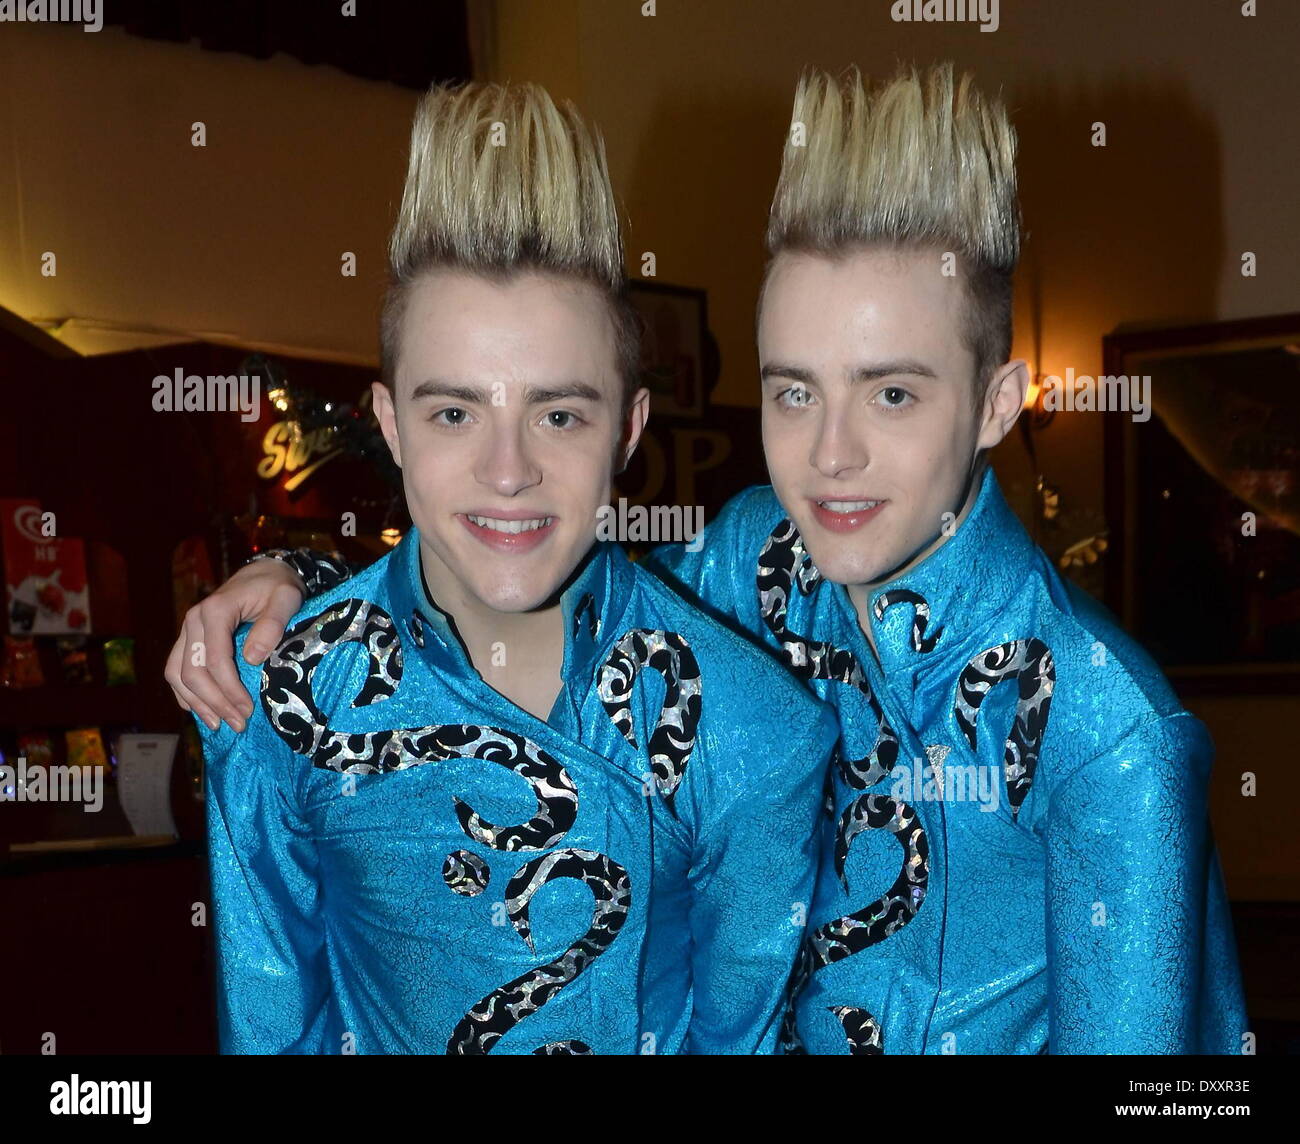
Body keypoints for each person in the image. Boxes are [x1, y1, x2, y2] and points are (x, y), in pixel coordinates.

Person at [173, 64, 1248, 1055]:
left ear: (997, 404)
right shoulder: (761, 561)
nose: (831, 455)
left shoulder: (1107, 736)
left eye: (892, 392)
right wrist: (300, 580)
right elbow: (532, 557)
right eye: (794, 391)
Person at [170, 79, 837, 1055]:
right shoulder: (283, 698)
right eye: (453, 413)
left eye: (558, 414)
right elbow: (269, 1031)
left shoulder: (749, 727)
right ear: (391, 423)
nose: (508, 469)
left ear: (629, 429)